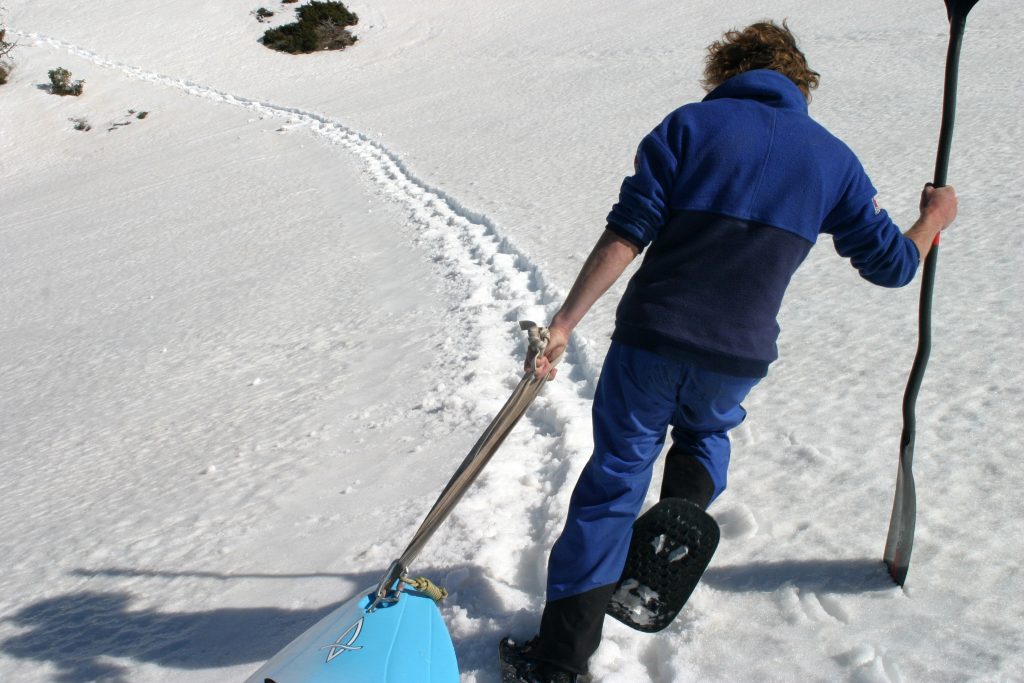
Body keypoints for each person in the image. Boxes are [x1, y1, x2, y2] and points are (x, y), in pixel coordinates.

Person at [504, 19, 958, 683]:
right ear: (798, 82)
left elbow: (626, 234)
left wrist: (566, 321)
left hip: (651, 341)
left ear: (727, 72)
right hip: (736, 357)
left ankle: (559, 660)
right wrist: (935, 219)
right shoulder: (832, 160)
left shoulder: (689, 127)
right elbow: (892, 265)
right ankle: (679, 513)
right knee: (707, 432)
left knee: (612, 487)